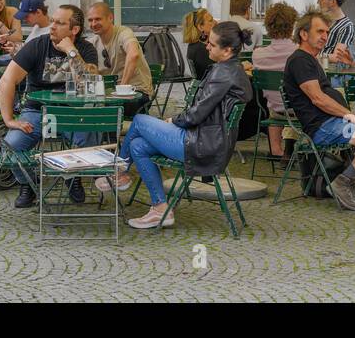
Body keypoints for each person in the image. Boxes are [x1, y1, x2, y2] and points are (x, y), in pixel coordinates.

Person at [97, 21, 254, 230]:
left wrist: (173, 120)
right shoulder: (231, 69)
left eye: (212, 44)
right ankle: (160, 208)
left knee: (140, 121)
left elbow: (196, 115)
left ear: (227, 50)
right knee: (138, 146)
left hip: (202, 145)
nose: (206, 45)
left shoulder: (223, 74)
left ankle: (120, 171)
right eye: (206, 40)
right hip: (207, 141)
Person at [282, 8, 355, 212]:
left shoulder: (311, 59)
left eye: (327, 32)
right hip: (324, 128)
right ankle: (342, 183)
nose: (325, 37)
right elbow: (318, 99)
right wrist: (350, 115)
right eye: (320, 32)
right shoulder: (300, 60)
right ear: (303, 34)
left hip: (337, 122)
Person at [0, 5, 99, 209]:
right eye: (52, 21)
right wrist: (8, 119)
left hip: (72, 113)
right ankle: (28, 181)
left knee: (89, 142)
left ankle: (72, 176)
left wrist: (71, 51)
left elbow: (89, 86)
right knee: (10, 147)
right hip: (37, 112)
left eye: (59, 23)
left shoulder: (86, 50)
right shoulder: (37, 45)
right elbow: (7, 80)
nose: (52, 27)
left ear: (74, 30)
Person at [251, 1, 299, 158]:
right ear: (292, 26)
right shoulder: (300, 52)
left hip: (276, 109)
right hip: (299, 111)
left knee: (274, 104)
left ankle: (276, 149)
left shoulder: (258, 55)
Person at [87, 1, 152, 97]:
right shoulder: (92, 43)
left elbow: (134, 55)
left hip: (137, 92)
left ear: (110, 18)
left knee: (101, 110)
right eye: (90, 20)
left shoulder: (124, 33)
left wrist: (121, 89)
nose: (93, 24)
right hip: (109, 95)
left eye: (98, 19)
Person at [317, 0, 355, 68]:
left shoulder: (347, 27)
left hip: (331, 76)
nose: (318, 2)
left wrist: (312, 57)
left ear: (333, 2)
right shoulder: (319, 20)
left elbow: (337, 57)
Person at [183, 8, 216, 79]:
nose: (215, 22)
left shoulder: (195, 46)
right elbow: (217, 73)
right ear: (201, 27)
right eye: (211, 20)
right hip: (209, 87)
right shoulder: (201, 50)